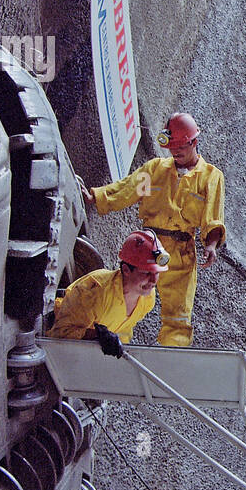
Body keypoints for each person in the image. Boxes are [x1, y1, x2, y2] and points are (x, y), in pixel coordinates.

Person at [79, 113, 226, 347]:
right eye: (172, 147)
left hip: (181, 252)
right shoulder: (156, 169)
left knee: (177, 317)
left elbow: (213, 216)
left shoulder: (211, 176)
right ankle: (117, 347)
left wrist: (210, 244)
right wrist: (97, 197)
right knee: (128, 298)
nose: (175, 152)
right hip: (148, 247)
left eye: (180, 146)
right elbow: (126, 189)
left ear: (194, 141)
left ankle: (171, 361)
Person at [47, 229, 167, 344]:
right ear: (126, 270)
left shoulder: (147, 299)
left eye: (157, 273)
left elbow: (124, 334)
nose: (153, 280)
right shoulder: (95, 292)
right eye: (146, 273)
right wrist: (95, 336)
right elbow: (59, 334)